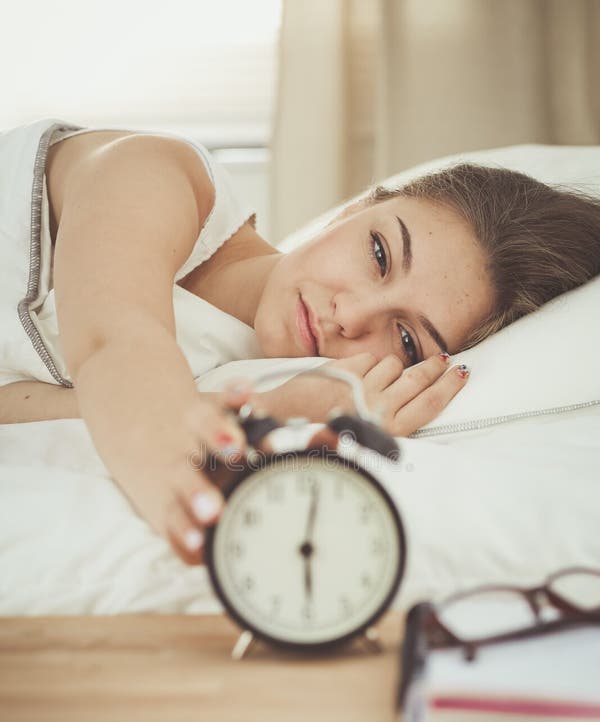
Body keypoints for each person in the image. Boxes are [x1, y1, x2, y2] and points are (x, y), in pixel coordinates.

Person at [1, 120, 600, 567]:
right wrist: (190, 498)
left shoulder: (227, 373)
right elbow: (114, 341)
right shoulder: (157, 176)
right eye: (379, 254)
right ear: (364, 204)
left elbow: (17, 407)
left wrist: (270, 414)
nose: (352, 315)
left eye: (408, 339)